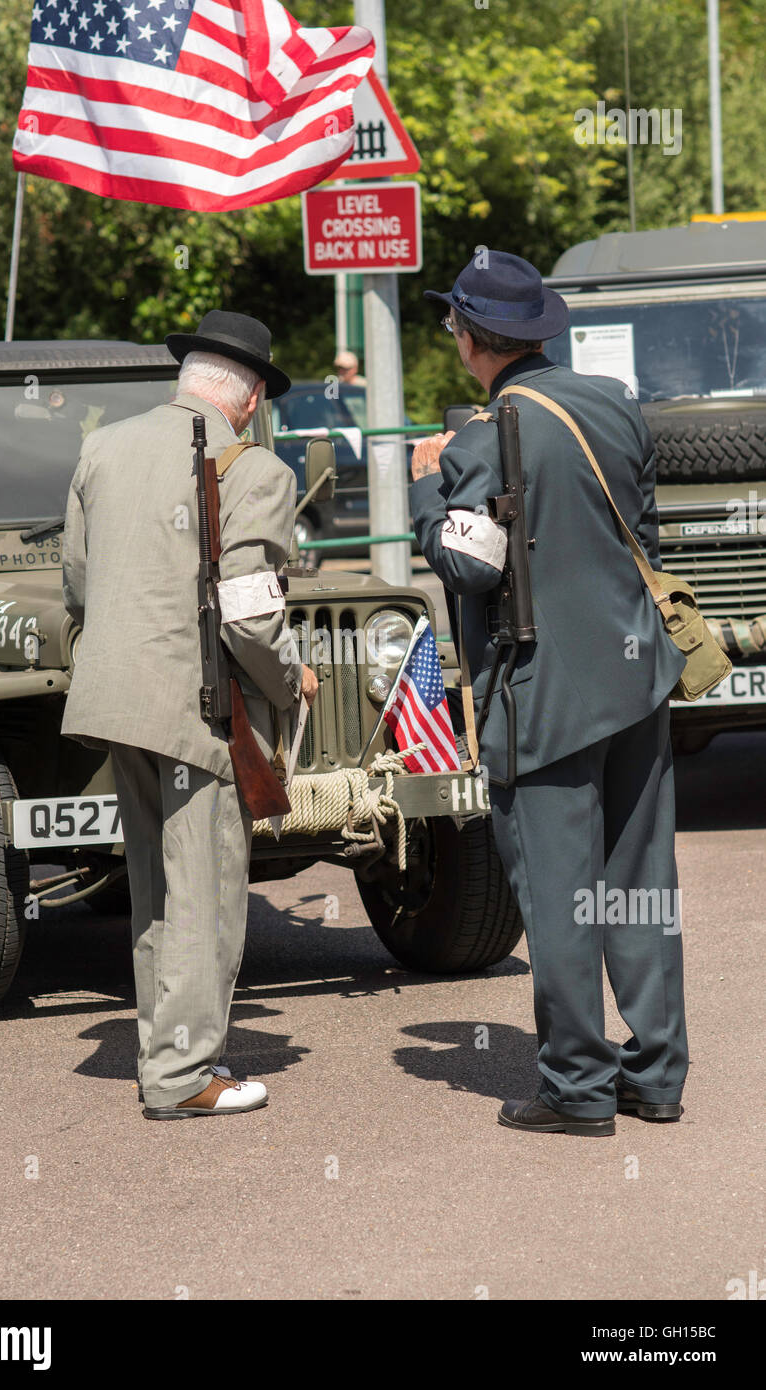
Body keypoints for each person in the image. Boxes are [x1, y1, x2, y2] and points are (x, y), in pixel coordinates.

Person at [410, 250, 689, 1138]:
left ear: (468, 336)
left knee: (564, 897)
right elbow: (639, 530)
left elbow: (466, 563)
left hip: (542, 694)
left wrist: (427, 486)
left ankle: (577, 1087)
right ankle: (657, 1073)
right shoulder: (613, 404)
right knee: (639, 886)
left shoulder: (481, 439)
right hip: (637, 675)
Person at [61, 310, 318, 1120]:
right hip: (199, 710)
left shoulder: (102, 447)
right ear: (247, 399)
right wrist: (290, 680)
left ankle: (164, 1051)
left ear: (188, 381)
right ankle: (182, 1078)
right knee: (204, 895)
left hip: (114, 698)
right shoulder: (258, 469)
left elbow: (76, 582)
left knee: (155, 892)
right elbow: (248, 616)